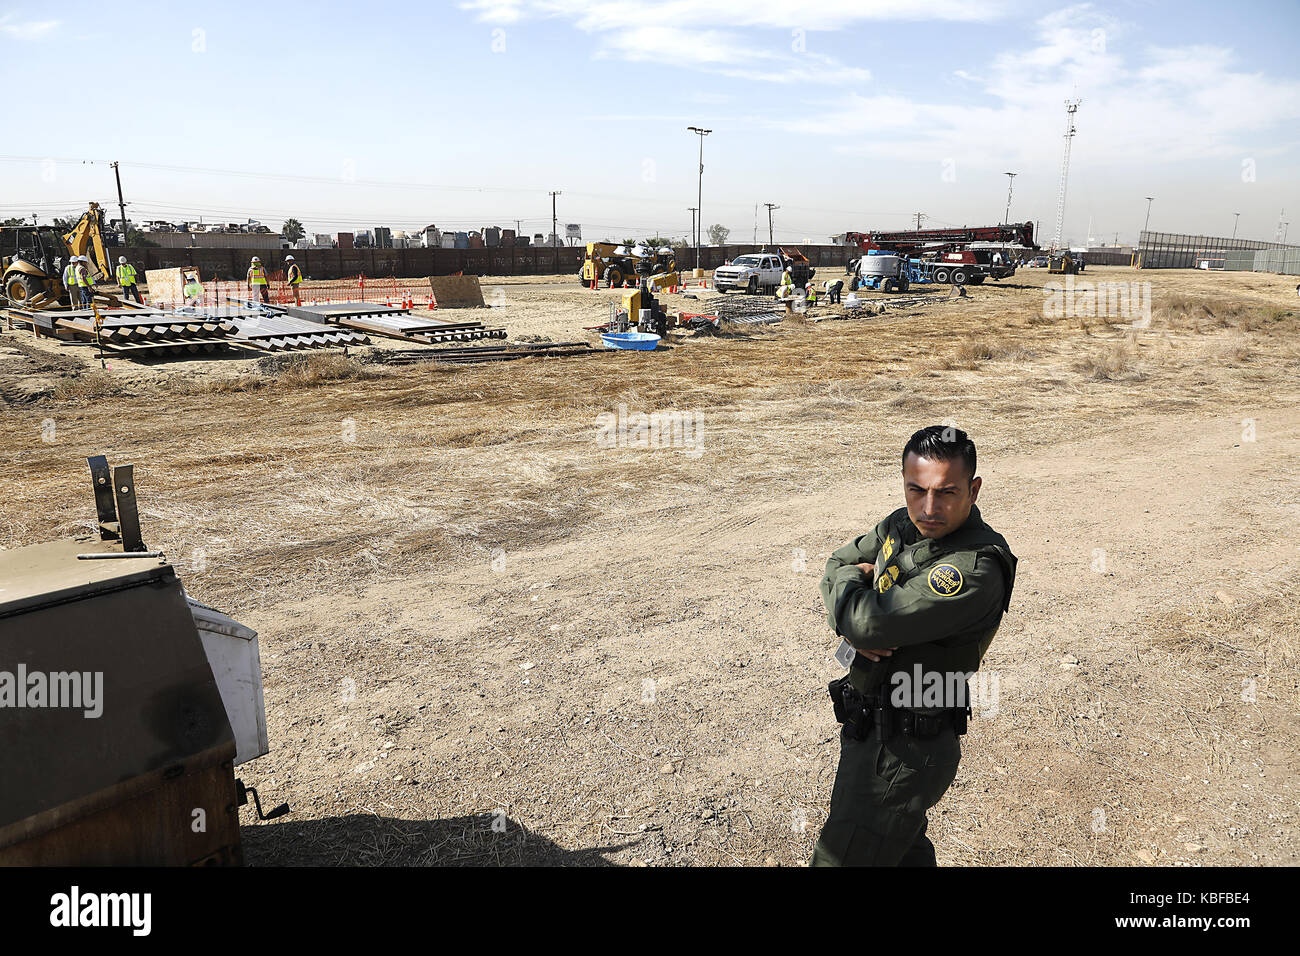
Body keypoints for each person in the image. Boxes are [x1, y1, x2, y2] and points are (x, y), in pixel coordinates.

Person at [811, 425, 1017, 867]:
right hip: (871, 725)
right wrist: (852, 600)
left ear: (973, 489)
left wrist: (853, 597)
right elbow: (837, 561)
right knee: (899, 852)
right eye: (916, 489)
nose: (929, 507)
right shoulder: (902, 525)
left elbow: (864, 621)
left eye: (946, 492)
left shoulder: (972, 569)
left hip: (905, 749)